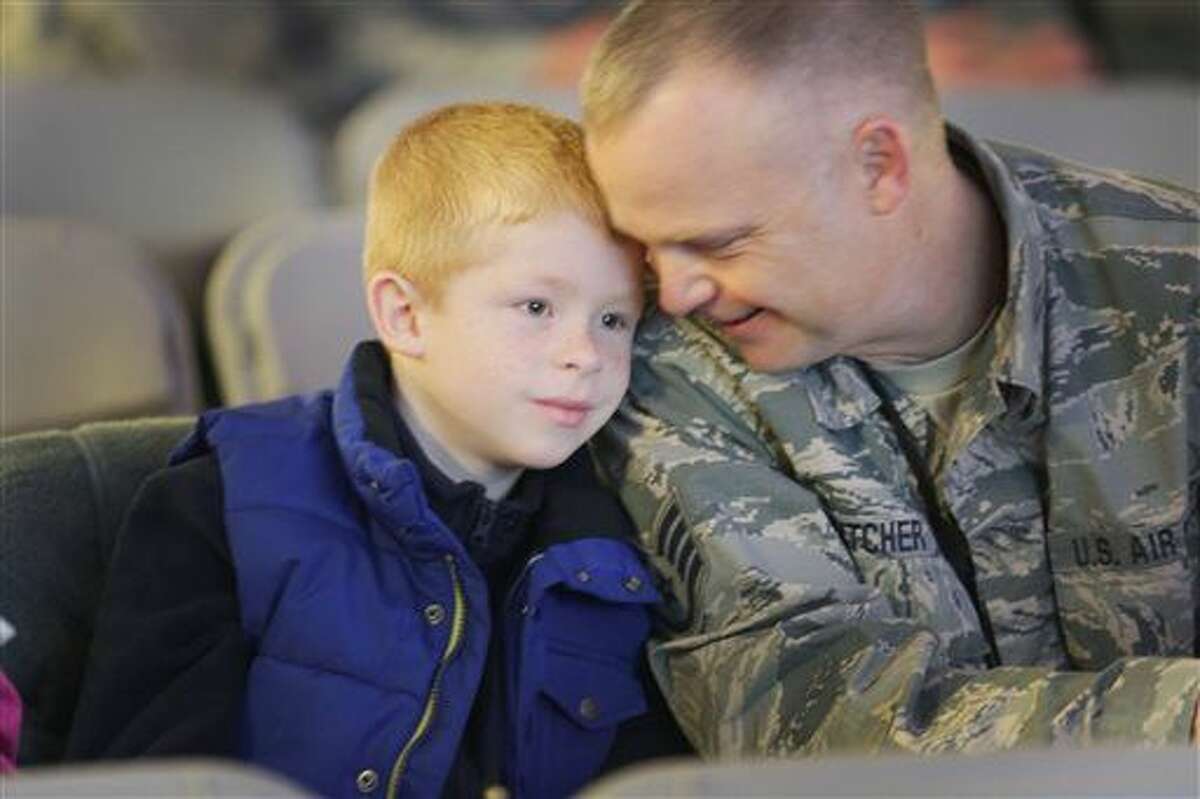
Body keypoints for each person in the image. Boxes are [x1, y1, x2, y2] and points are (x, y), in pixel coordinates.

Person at [580, 0, 1200, 757]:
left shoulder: (1177, 276)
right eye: (646, 247)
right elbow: (807, 718)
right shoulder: (669, 369)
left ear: (879, 164)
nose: (674, 293)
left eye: (717, 242)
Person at [65, 102, 689, 797]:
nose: (586, 355)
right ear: (406, 314)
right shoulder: (220, 504)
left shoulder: (624, 543)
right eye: (537, 308)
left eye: (614, 319)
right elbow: (146, 781)